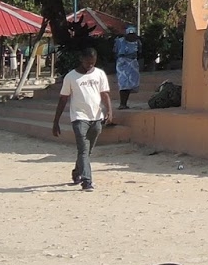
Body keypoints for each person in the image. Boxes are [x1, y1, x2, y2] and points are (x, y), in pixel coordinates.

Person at [52, 49, 112, 192]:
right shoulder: (71, 77)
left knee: (87, 151)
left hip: (96, 117)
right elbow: (63, 99)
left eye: (92, 63)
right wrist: (56, 121)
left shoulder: (99, 74)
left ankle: (77, 172)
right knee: (83, 150)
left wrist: (109, 111)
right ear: (81, 59)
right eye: (87, 62)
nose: (89, 65)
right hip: (79, 118)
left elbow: (104, 94)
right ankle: (87, 181)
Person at [112, 25, 143, 109]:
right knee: (123, 83)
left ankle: (124, 103)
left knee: (131, 83)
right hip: (123, 63)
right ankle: (122, 103)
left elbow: (139, 52)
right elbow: (115, 52)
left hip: (133, 63)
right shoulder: (120, 41)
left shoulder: (137, 42)